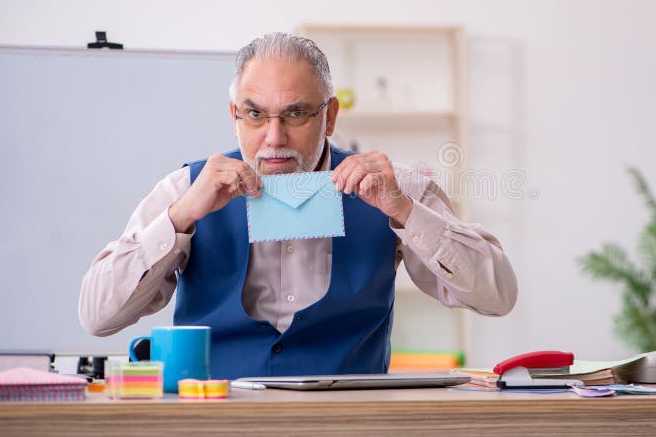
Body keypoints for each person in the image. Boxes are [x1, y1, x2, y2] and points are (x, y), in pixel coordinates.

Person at [79, 32, 517, 379]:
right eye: (255, 115)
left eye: (295, 114)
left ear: (330, 116)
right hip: (214, 422)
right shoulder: (184, 189)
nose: (274, 138)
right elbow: (97, 317)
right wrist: (179, 218)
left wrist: (404, 211)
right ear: (234, 116)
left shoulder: (393, 187)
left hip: (348, 424)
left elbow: (498, 296)